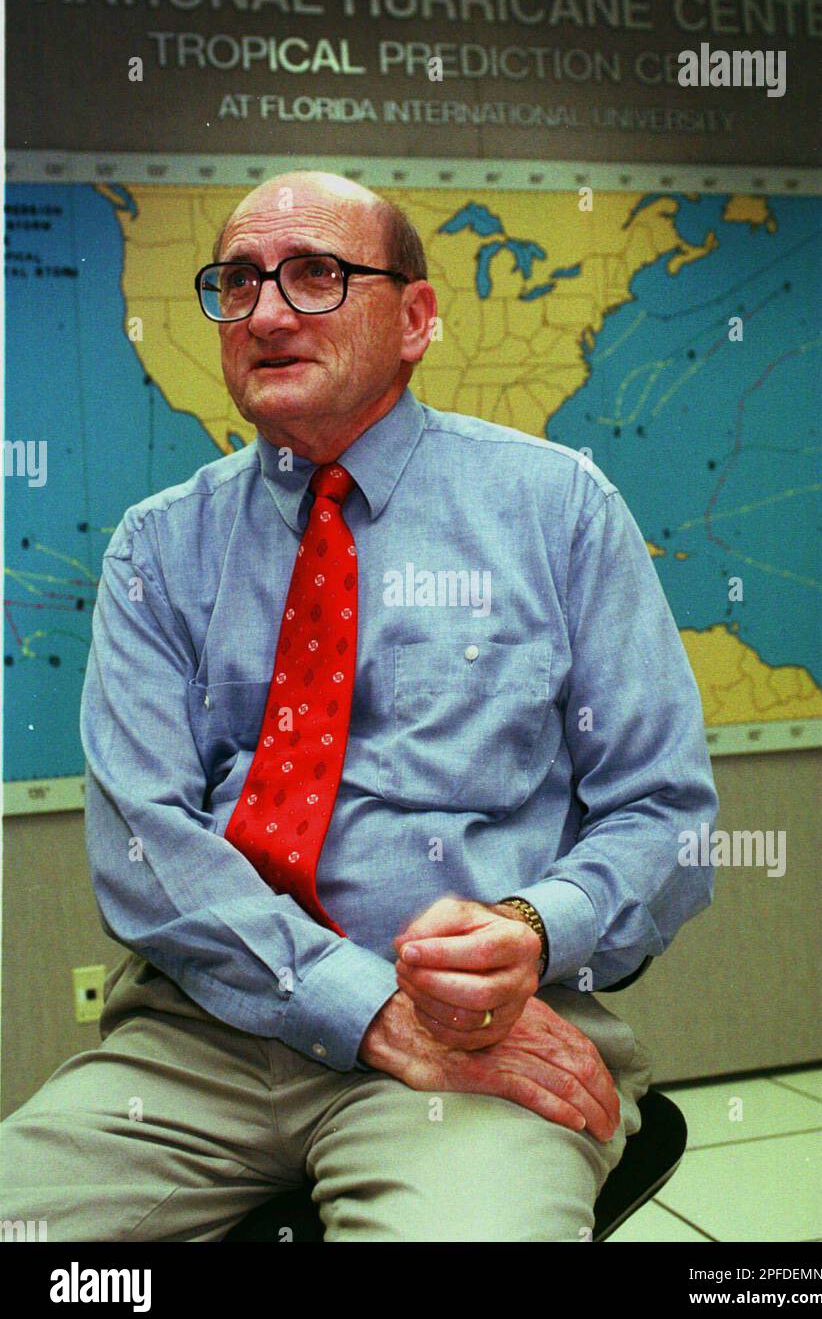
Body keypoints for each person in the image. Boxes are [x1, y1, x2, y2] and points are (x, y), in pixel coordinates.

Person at [0, 171, 718, 1242]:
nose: (269, 312)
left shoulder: (558, 510)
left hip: (474, 1037)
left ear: (417, 317)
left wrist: (530, 925)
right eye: (238, 282)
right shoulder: (159, 547)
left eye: (316, 275)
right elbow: (146, 847)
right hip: (201, 1040)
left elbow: (665, 815)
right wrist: (358, 1003)